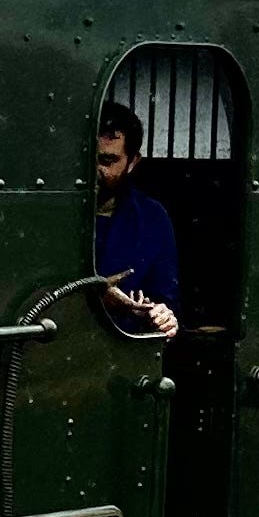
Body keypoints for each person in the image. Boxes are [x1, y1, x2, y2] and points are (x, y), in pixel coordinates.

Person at [94, 104, 179, 340]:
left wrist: (164, 318)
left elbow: (165, 297)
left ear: (132, 162)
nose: (96, 170)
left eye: (108, 160)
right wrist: (100, 298)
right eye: (89, 157)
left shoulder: (153, 219)